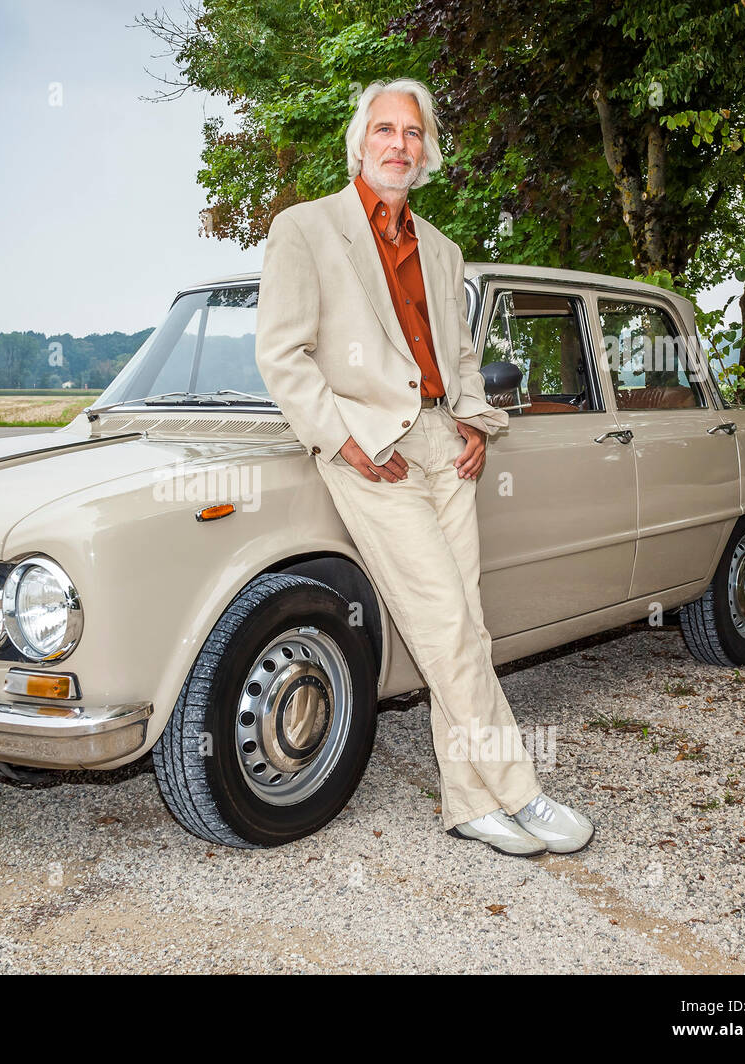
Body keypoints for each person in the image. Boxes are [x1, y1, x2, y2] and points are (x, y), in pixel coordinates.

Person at [254, 77, 593, 857]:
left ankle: (470, 804)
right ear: (360, 141)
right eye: (385, 129)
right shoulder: (306, 229)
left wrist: (476, 421)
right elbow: (282, 352)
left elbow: (460, 355)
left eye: (413, 132)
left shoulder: (441, 249)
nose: (398, 144)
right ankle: (522, 792)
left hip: (446, 447)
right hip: (375, 455)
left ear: (427, 150)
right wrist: (342, 440)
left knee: (466, 627)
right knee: (445, 624)